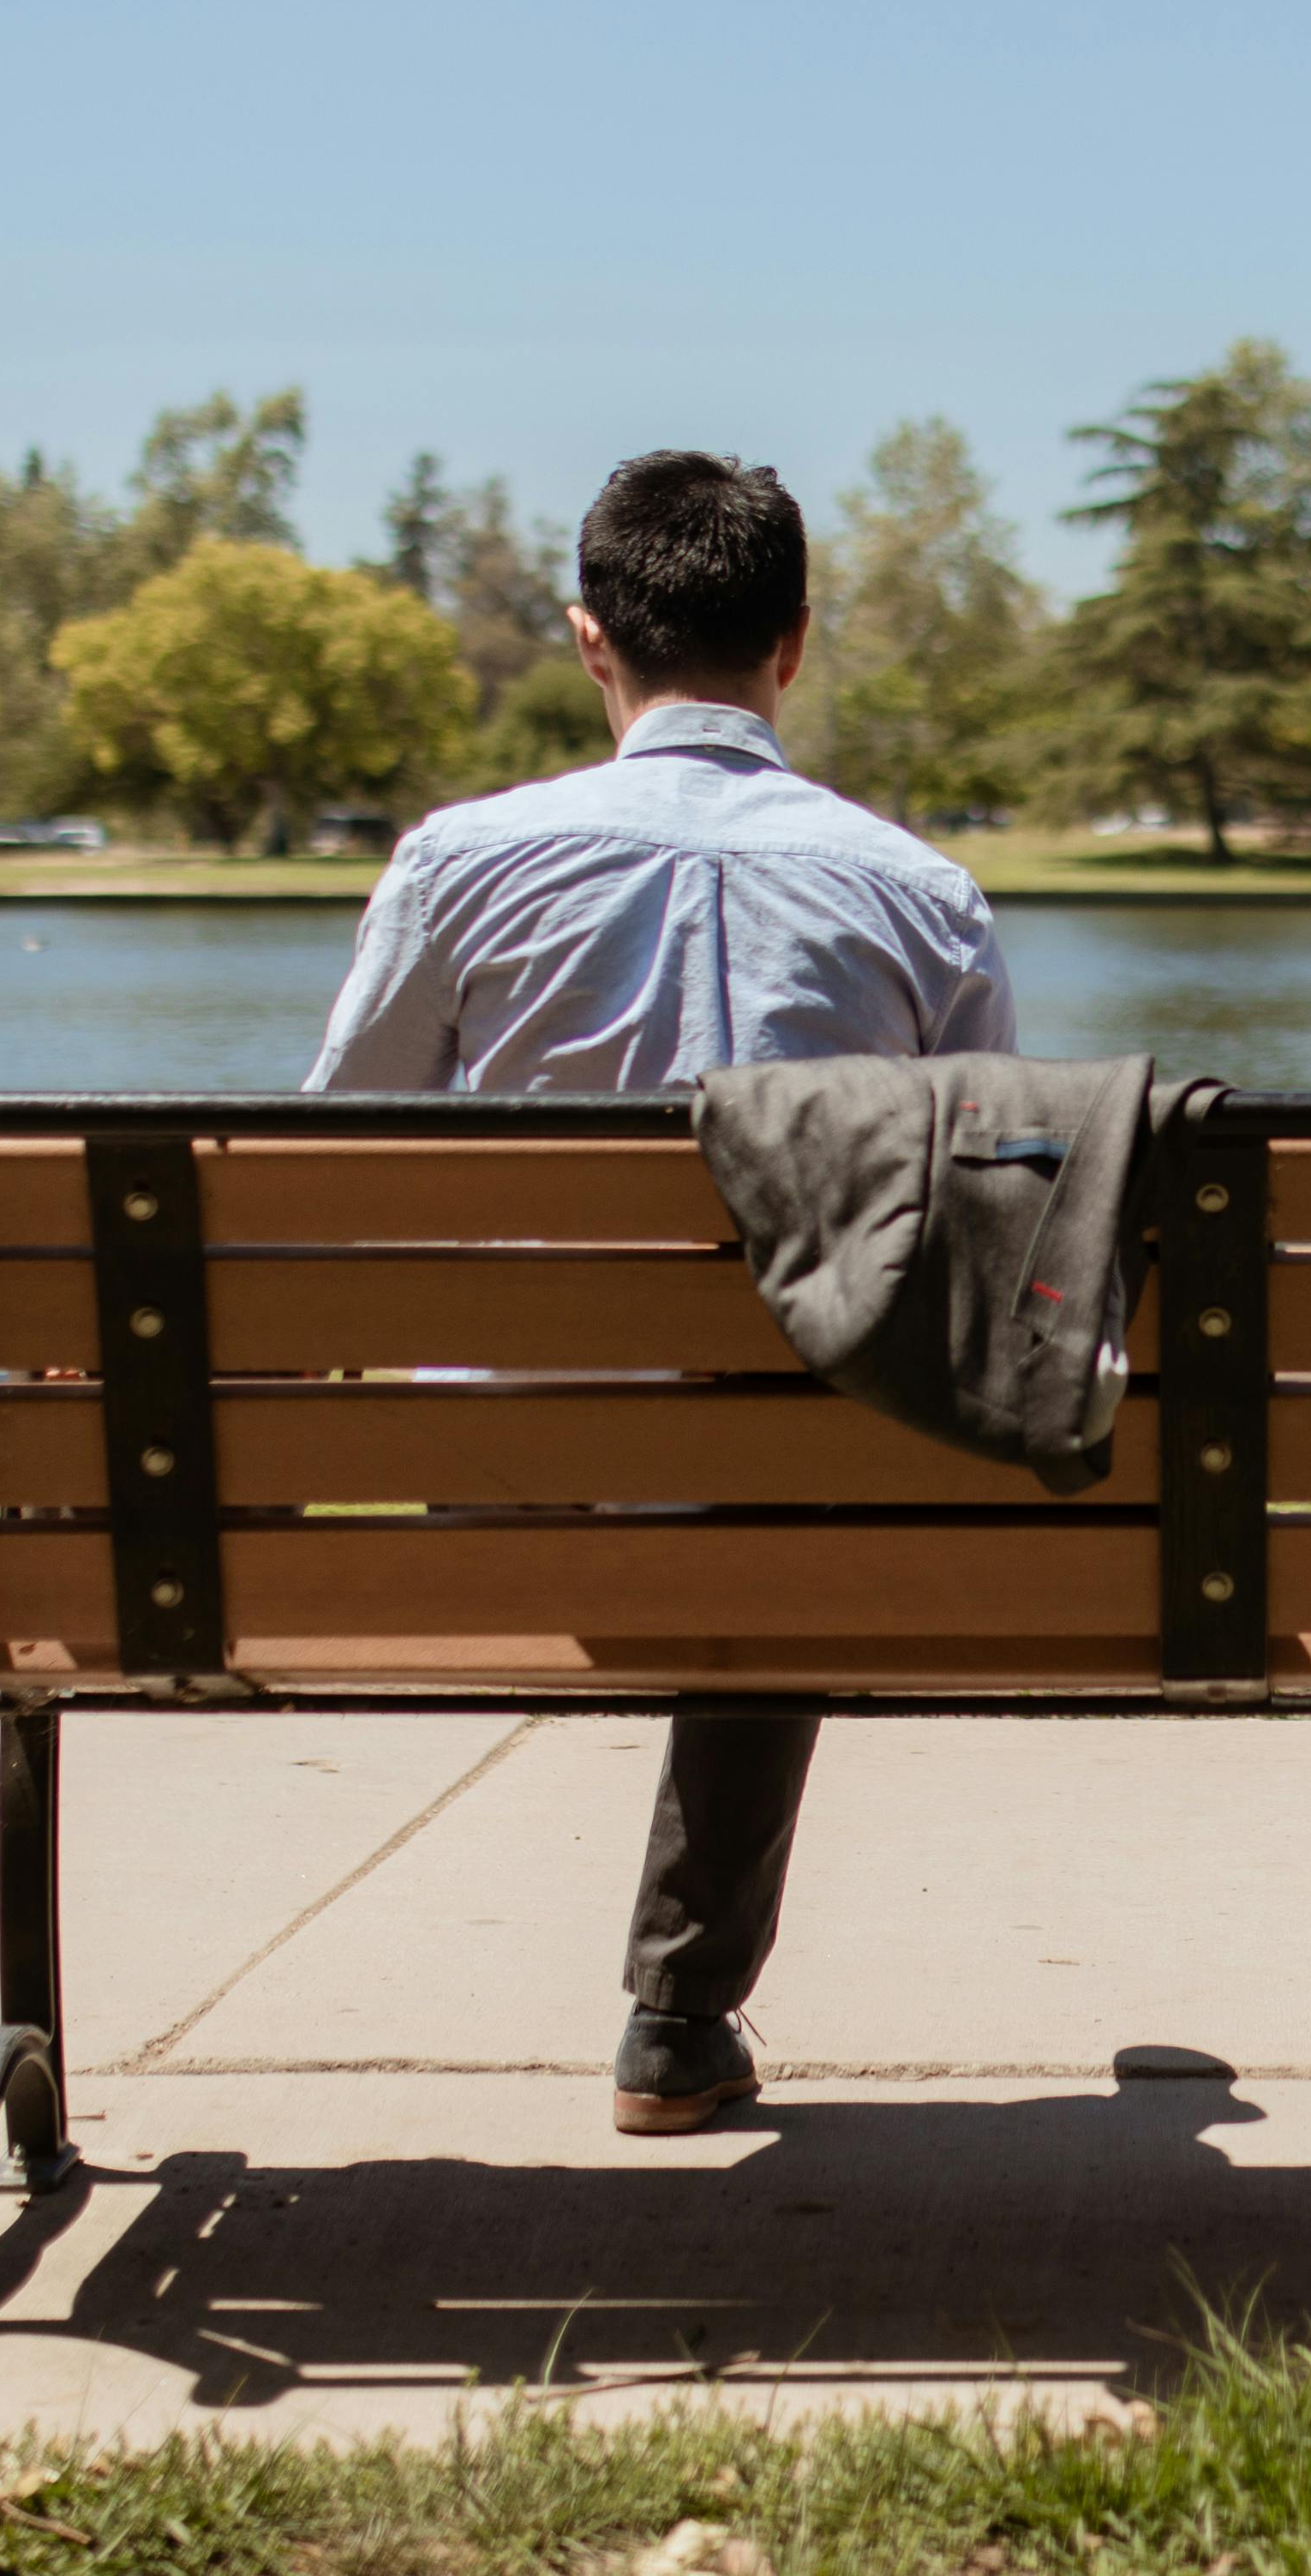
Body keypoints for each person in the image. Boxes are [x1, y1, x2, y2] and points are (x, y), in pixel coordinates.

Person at [307, 449, 1012, 2131]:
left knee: (699, 1444)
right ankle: (678, 2015)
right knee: (793, 1464)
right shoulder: (922, 896)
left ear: (589, 642)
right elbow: (982, 1230)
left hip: (494, 1490)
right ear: (794, 643)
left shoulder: (458, 865)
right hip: (781, 1517)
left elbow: (324, 1172)